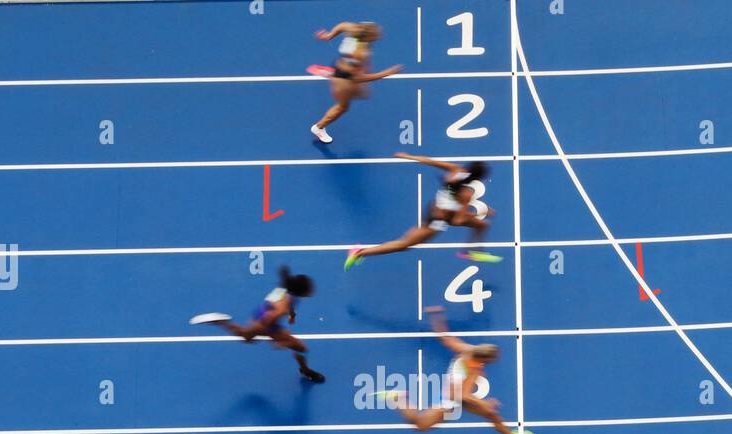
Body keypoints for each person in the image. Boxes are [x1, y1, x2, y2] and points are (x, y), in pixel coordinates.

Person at [381, 306, 531, 434]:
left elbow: (445, 338)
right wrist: (483, 403)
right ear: (483, 359)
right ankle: (398, 398)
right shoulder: (470, 366)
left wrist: (436, 315)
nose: (493, 361)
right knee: (420, 425)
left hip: (460, 398)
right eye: (491, 360)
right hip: (447, 401)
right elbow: (464, 396)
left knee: (491, 415)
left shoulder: (469, 350)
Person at [345, 153, 500, 267]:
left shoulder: (456, 169)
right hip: (437, 221)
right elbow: (458, 220)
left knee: (482, 225)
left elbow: (430, 161)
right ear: (479, 178)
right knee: (403, 245)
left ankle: (470, 252)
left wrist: (409, 156)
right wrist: (480, 212)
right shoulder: (466, 193)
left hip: (436, 209)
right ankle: (359, 252)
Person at [190, 266, 325, 382]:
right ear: (301, 292)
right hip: (264, 323)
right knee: (301, 348)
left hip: (259, 314)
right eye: (309, 289)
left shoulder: (285, 289)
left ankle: (220, 321)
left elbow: (285, 304)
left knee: (247, 338)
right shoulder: (282, 306)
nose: (312, 291)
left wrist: (292, 315)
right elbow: (272, 316)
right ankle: (306, 371)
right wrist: (279, 339)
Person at [309, 21, 402, 144]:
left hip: (342, 66)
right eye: (376, 33)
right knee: (343, 107)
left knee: (361, 92)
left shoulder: (352, 29)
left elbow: (342, 25)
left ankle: (332, 73)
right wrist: (385, 74)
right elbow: (357, 78)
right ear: (368, 37)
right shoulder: (360, 54)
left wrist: (328, 36)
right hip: (344, 78)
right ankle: (318, 128)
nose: (380, 34)